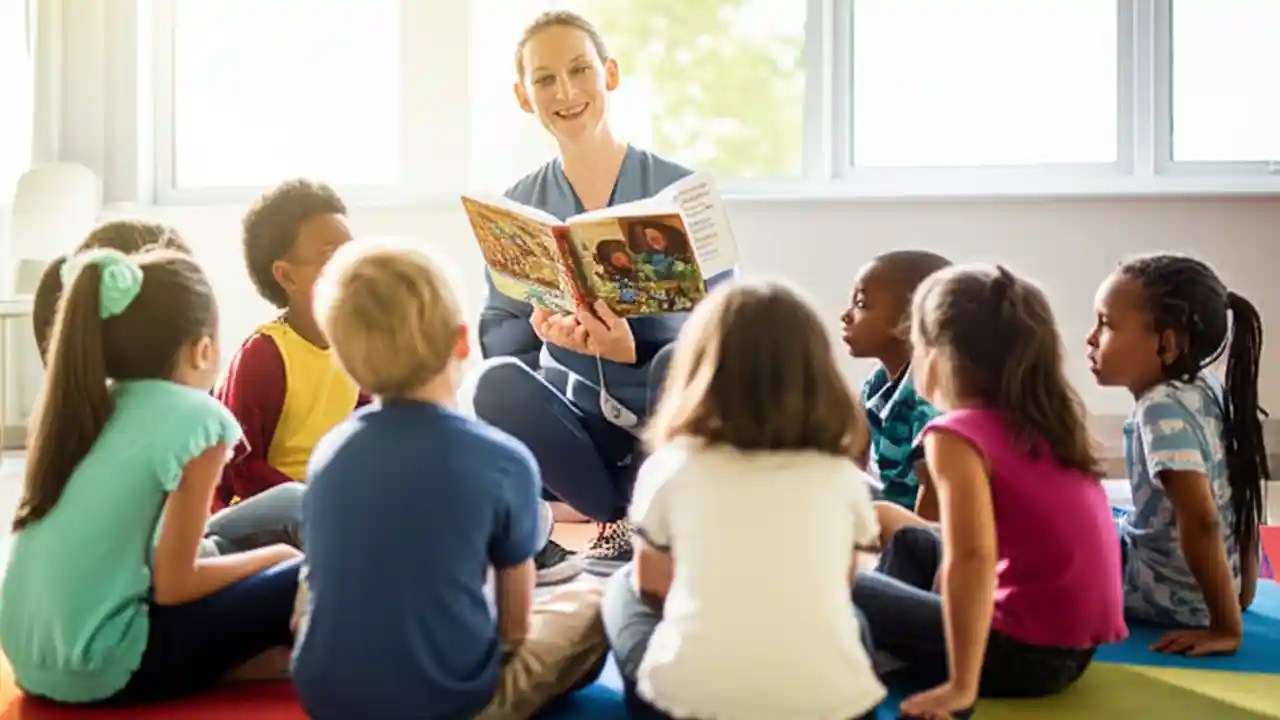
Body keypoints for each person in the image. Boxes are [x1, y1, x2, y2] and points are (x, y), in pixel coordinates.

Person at [468, 10, 735, 579]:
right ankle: (620, 518)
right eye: (544, 79)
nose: (565, 92)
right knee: (493, 385)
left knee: (675, 362)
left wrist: (628, 351)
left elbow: (725, 324)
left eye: (579, 70)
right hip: (581, 419)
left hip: (670, 405)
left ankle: (657, 519)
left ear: (609, 74)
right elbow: (502, 332)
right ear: (524, 96)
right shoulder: (517, 207)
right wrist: (547, 334)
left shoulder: (680, 189)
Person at [292, 240, 605, 719]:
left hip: (328, 699)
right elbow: (515, 631)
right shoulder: (503, 460)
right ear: (462, 341)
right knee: (595, 601)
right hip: (450, 704)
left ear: (347, 363)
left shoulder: (328, 455)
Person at [0, 248, 301, 705]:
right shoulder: (200, 419)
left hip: (34, 657)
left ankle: (245, 661)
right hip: (109, 665)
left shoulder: (93, 404)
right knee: (305, 572)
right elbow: (175, 583)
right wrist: (276, 555)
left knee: (292, 500)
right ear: (203, 349)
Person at [602, 279, 885, 720]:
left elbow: (653, 588)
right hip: (834, 709)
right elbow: (841, 584)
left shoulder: (671, 466)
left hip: (689, 706)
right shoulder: (842, 478)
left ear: (698, 369)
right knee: (851, 622)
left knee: (619, 589)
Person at [853, 265, 1127, 719]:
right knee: (911, 541)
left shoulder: (954, 436)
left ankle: (883, 660)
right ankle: (892, 649)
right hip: (1074, 651)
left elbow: (972, 559)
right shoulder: (1044, 421)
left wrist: (962, 688)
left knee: (846, 581)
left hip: (1014, 658)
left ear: (938, 357)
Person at [31, 219, 303, 558]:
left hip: (156, 559)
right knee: (292, 546)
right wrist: (277, 559)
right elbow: (176, 573)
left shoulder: (82, 405)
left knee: (295, 502)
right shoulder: (188, 417)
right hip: (158, 583)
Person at [1087, 254, 1267, 655]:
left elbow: (1201, 518)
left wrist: (1225, 627)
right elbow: (1241, 489)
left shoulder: (1160, 410)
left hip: (1164, 594)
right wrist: (1243, 590)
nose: (1091, 338)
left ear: (1166, 344)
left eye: (1106, 323)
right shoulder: (1206, 386)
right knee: (1104, 512)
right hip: (1207, 589)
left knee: (1057, 530)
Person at [215, 179, 368, 510]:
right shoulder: (264, 355)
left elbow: (372, 432)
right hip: (267, 510)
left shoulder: (356, 346)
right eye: (332, 255)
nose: (353, 266)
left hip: (328, 502)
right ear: (286, 276)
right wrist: (314, 500)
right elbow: (239, 467)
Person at [841, 250, 951, 527]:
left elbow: (934, 499)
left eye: (861, 304)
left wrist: (909, 556)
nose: (846, 315)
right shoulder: (877, 382)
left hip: (925, 531)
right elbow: (852, 456)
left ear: (907, 323)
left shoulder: (930, 400)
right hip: (893, 511)